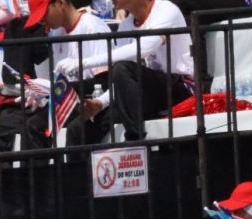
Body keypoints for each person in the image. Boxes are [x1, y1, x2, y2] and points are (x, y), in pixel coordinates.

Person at [0, 0, 110, 153]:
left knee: (34, 127)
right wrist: (39, 91)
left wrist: (53, 88)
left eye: (45, 13)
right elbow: (59, 81)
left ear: (60, 3)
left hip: (87, 102)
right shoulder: (56, 34)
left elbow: (103, 82)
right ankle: (12, 177)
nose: (42, 20)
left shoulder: (92, 26)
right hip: (61, 101)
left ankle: (43, 176)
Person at [74, 0, 193, 142]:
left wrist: (83, 63)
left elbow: (142, 49)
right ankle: (82, 163)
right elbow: (123, 80)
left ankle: (135, 143)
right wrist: (100, 103)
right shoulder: (125, 26)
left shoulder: (166, 9)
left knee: (121, 68)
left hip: (180, 88)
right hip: (147, 93)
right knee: (79, 128)